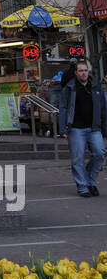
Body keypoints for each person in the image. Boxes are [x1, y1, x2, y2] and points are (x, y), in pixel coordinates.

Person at [59, 61, 106, 197]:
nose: (84, 73)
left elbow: (103, 108)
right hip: (76, 129)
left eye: (86, 70)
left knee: (99, 153)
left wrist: (104, 128)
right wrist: (62, 128)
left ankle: (90, 181)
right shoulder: (69, 88)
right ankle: (83, 187)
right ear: (76, 73)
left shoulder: (96, 87)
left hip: (94, 128)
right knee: (77, 159)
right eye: (81, 71)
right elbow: (63, 108)